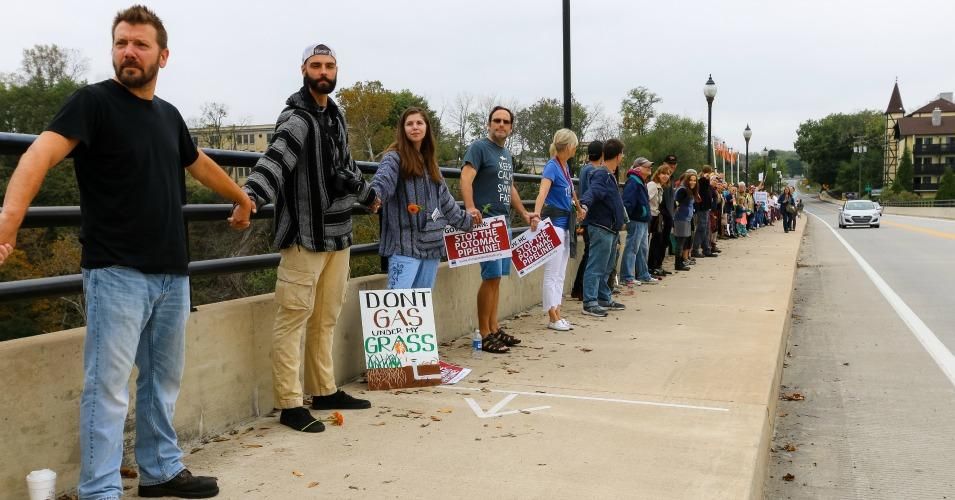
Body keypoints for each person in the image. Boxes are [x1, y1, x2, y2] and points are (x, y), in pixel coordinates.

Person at [0, 6, 253, 498]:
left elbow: (198, 164)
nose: (128, 52)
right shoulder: (93, 103)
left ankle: (159, 472)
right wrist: (8, 220)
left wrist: (241, 197)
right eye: (121, 43)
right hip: (115, 271)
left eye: (139, 44)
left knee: (162, 384)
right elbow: (39, 154)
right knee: (107, 390)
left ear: (163, 55)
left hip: (171, 273)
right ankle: (99, 490)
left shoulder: (168, 115)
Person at [237, 42, 379, 434]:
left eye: (329, 65)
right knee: (292, 320)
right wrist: (249, 197)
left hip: (338, 235)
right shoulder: (297, 119)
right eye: (316, 65)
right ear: (303, 69)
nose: (323, 72)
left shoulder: (336, 116)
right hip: (304, 237)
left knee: (325, 319)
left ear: (336, 70)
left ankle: (324, 389)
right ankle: (289, 403)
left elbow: (346, 166)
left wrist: (369, 197)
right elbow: (275, 161)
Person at [371, 107, 478, 289]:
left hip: (432, 246)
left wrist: (469, 221)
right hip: (404, 248)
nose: (415, 127)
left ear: (427, 128)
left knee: (421, 309)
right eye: (409, 124)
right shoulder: (393, 158)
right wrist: (374, 196)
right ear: (402, 129)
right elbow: (382, 180)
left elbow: (445, 202)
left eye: (419, 123)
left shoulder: (431, 163)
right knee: (399, 308)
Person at [460, 106, 538, 353]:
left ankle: (494, 328)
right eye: (496, 120)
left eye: (505, 121)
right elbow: (465, 178)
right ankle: (483, 333)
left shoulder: (505, 154)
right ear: (489, 124)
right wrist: (471, 208)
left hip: (503, 222)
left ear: (511, 127)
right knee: (489, 276)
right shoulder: (479, 148)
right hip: (486, 222)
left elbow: (510, 187)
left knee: (497, 278)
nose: (501, 125)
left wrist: (524, 213)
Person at [533, 129, 583, 331]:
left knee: (560, 272)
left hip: (566, 224)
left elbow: (571, 193)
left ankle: (558, 312)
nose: (575, 150)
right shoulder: (552, 166)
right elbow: (542, 192)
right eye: (575, 146)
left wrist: (579, 209)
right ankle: (552, 316)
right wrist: (536, 214)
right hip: (555, 223)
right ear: (569, 146)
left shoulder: (564, 167)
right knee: (552, 273)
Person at [578, 139, 628, 317]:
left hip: (609, 228)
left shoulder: (609, 175)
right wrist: (584, 205)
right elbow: (593, 192)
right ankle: (589, 302)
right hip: (601, 227)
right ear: (618, 155)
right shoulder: (601, 174)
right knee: (596, 265)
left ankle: (602, 297)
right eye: (622, 153)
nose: (622, 157)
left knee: (606, 266)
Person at [570, 141, 603, 300]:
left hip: (586, 216)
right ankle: (581, 290)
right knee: (590, 254)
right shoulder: (593, 171)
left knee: (588, 254)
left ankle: (578, 289)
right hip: (591, 217)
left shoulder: (585, 169)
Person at [620, 157, 657, 285]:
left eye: (649, 166)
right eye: (646, 166)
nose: (649, 168)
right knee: (633, 248)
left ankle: (643, 274)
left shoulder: (640, 181)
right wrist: (627, 218)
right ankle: (627, 276)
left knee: (642, 249)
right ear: (638, 167)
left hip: (642, 219)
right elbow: (628, 201)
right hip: (636, 219)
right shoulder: (633, 181)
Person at [647, 164, 673, 276]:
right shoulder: (652, 185)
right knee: (653, 243)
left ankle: (654, 266)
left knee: (657, 242)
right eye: (663, 173)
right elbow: (646, 199)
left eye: (668, 174)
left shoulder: (661, 187)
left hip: (657, 217)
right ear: (658, 174)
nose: (665, 176)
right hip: (651, 217)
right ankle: (650, 267)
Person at [673, 171, 698, 271]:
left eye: (694, 180)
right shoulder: (682, 190)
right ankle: (678, 264)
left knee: (683, 241)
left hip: (686, 218)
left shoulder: (689, 190)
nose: (693, 182)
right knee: (680, 241)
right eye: (691, 180)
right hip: (681, 218)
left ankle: (681, 262)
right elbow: (676, 203)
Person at [691, 166, 717, 258]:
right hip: (702, 207)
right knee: (701, 228)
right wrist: (704, 178)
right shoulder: (701, 180)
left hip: (706, 207)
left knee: (706, 229)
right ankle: (695, 249)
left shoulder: (705, 181)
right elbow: (701, 189)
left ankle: (706, 249)